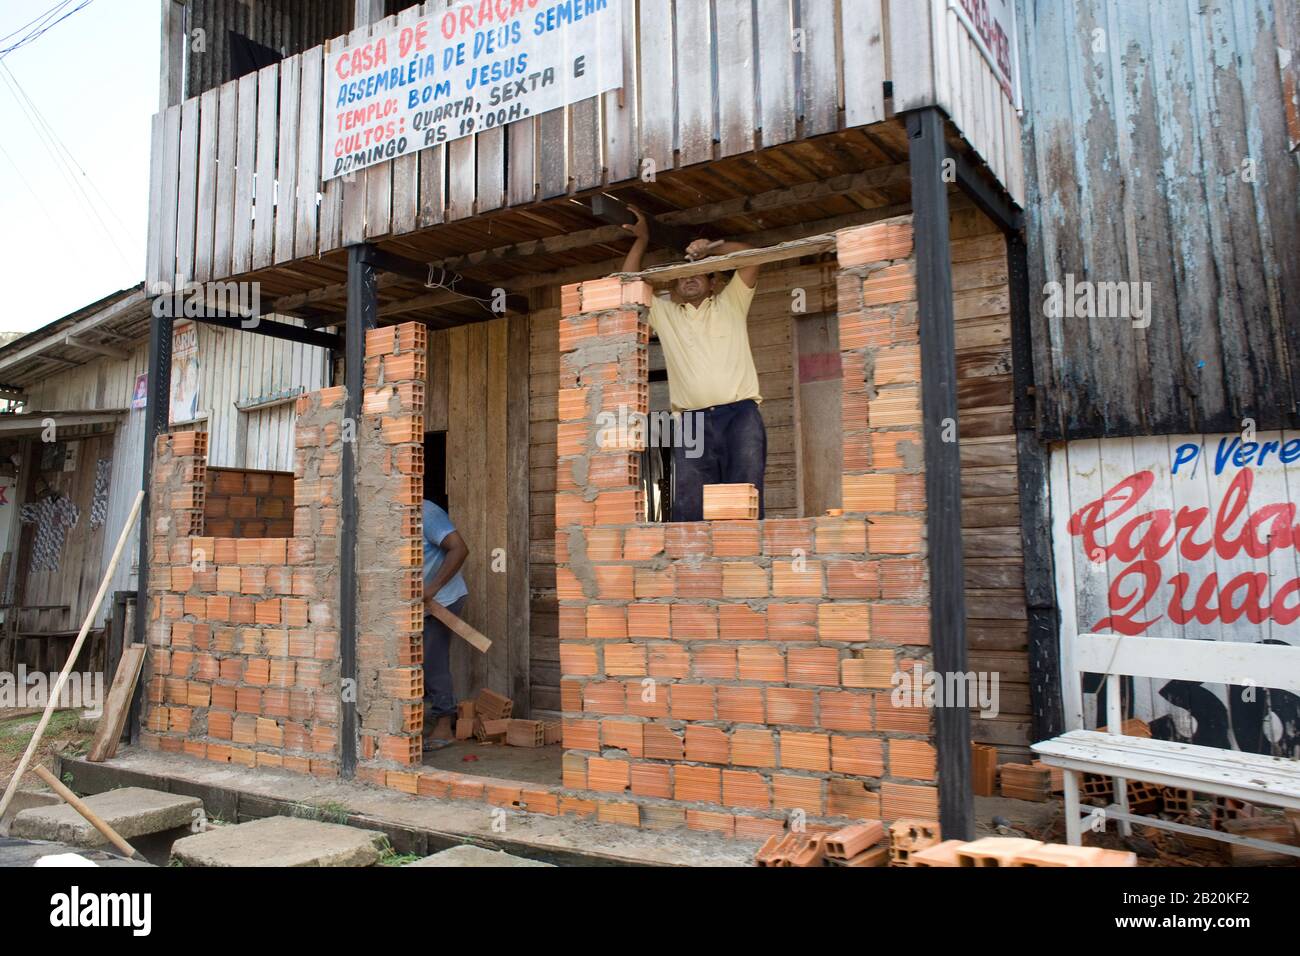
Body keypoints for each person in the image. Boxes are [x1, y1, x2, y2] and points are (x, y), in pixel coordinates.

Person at [620, 205, 766, 521]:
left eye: (699, 271)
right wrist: (641, 241)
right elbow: (628, 287)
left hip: (740, 416)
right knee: (691, 507)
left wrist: (714, 248)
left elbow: (752, 256)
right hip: (691, 424)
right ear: (672, 286)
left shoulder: (732, 302)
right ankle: (693, 570)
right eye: (682, 275)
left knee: (743, 501)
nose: (690, 278)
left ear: (714, 282)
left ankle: (741, 568)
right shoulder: (666, 314)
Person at [421, 492, 469, 748]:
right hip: (419, 603)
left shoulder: (426, 512)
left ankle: (444, 726)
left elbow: (460, 548)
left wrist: (433, 588)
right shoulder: (389, 515)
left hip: (443, 599)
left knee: (432, 659)